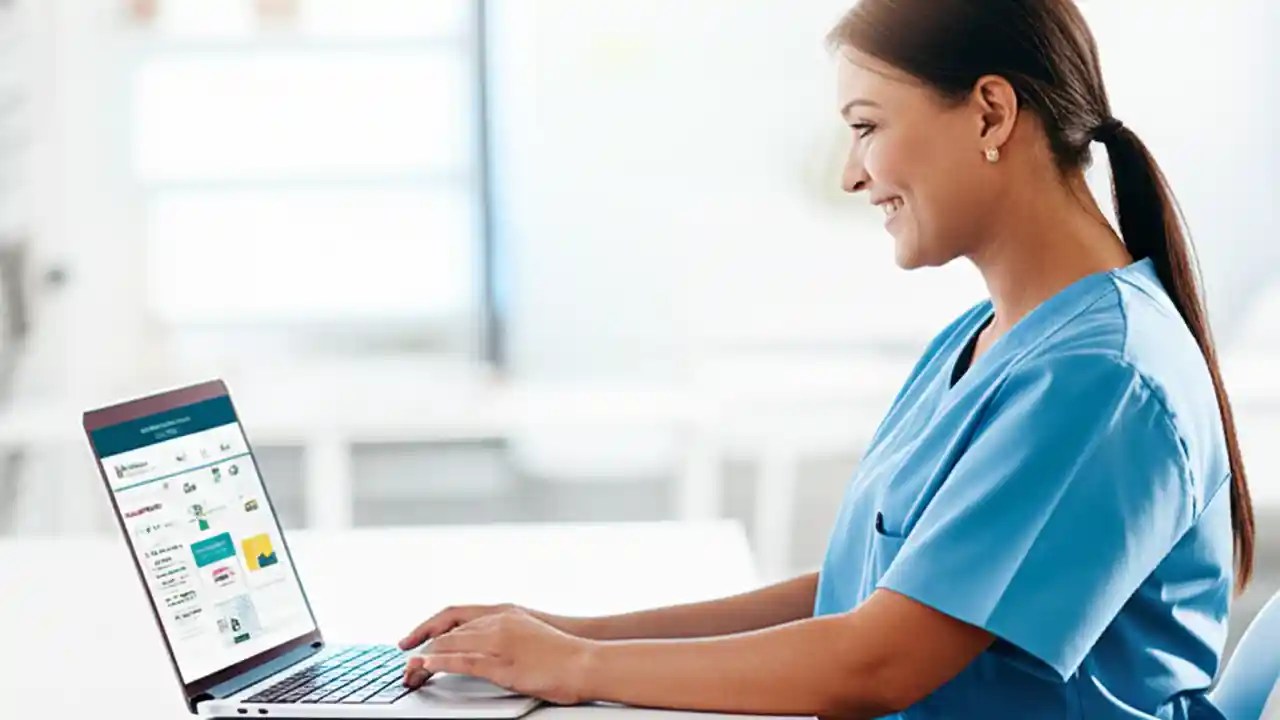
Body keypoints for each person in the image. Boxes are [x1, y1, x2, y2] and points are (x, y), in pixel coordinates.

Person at [397, 1, 1255, 717]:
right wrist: (576, 635)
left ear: (991, 112)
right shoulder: (983, 339)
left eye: (867, 127)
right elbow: (865, 599)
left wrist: (574, 670)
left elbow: (875, 662)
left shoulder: (1100, 378)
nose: (853, 174)